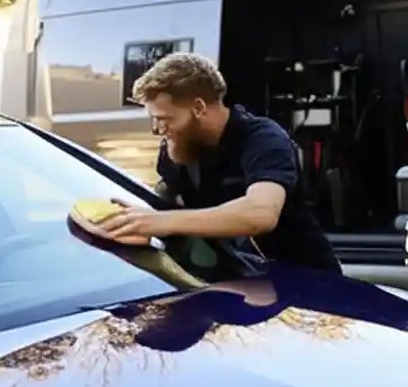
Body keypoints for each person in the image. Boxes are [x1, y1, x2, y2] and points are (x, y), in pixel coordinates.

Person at [95, 52, 342, 274]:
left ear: (199, 107)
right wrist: (135, 217)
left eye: (164, 118)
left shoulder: (263, 139)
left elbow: (260, 214)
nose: (156, 129)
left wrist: (160, 221)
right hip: (240, 286)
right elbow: (167, 203)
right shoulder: (177, 147)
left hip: (309, 285)